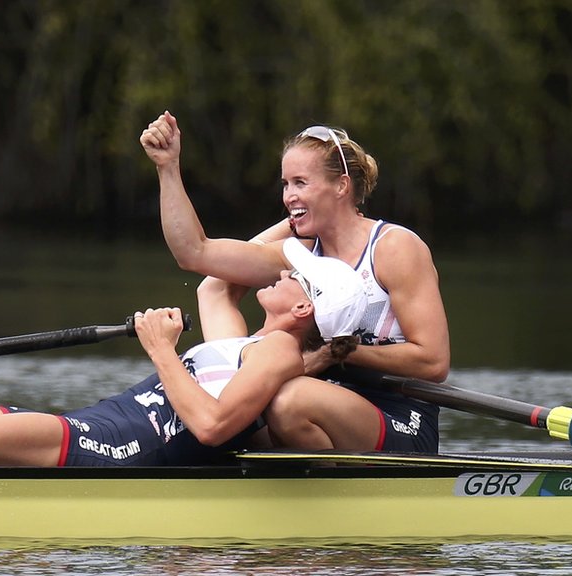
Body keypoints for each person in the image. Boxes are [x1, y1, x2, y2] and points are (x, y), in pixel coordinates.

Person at [0, 239, 367, 467]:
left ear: (304, 308)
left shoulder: (278, 352)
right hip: (99, 423)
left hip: (125, 448)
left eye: (296, 275)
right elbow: (213, 281)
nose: (281, 270)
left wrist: (161, 350)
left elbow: (211, 427)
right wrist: (298, 221)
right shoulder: (249, 341)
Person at [140, 111, 450, 454]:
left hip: (399, 414)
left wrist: (336, 353)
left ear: (341, 186)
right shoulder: (299, 255)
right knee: (234, 419)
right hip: (319, 400)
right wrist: (168, 167)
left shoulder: (394, 248)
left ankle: (332, 485)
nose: (288, 195)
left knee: (287, 402)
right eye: (286, 184)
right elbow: (195, 253)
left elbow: (433, 362)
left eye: (300, 183)